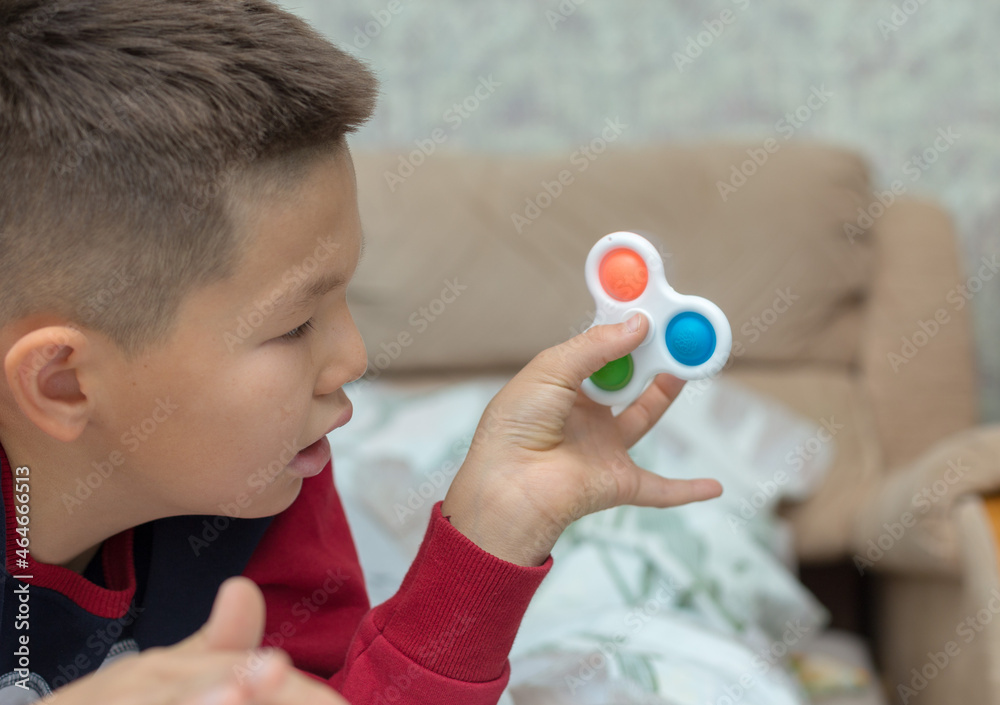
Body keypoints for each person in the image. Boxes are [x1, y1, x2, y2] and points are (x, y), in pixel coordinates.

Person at [0, 1, 723, 703]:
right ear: (65, 382)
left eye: (344, 299)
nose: (354, 357)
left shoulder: (258, 484)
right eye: (293, 325)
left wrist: (494, 526)